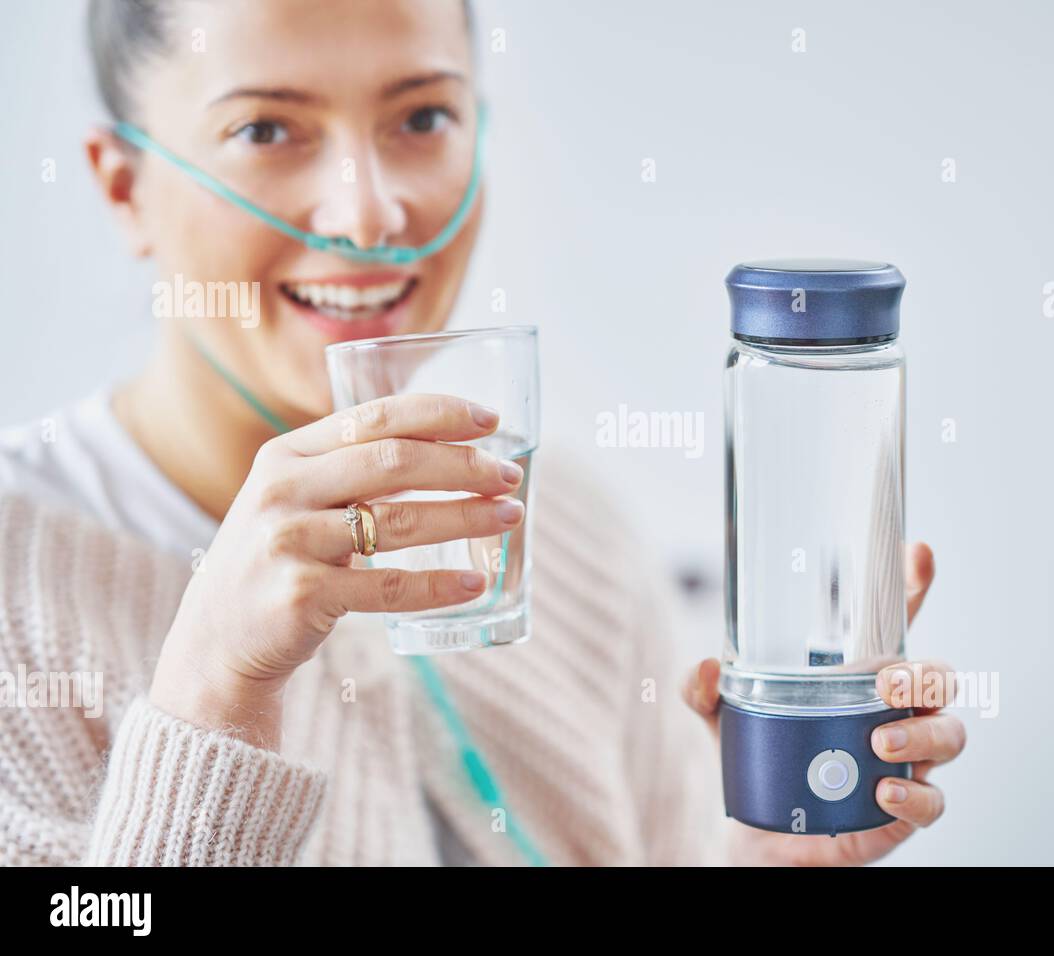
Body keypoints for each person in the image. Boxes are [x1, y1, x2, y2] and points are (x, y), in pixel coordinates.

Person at [0, 0, 964, 866]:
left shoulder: (574, 537)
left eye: (422, 117)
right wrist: (214, 696)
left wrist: (759, 860)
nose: (369, 213)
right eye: (266, 128)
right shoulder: (18, 595)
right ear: (123, 187)